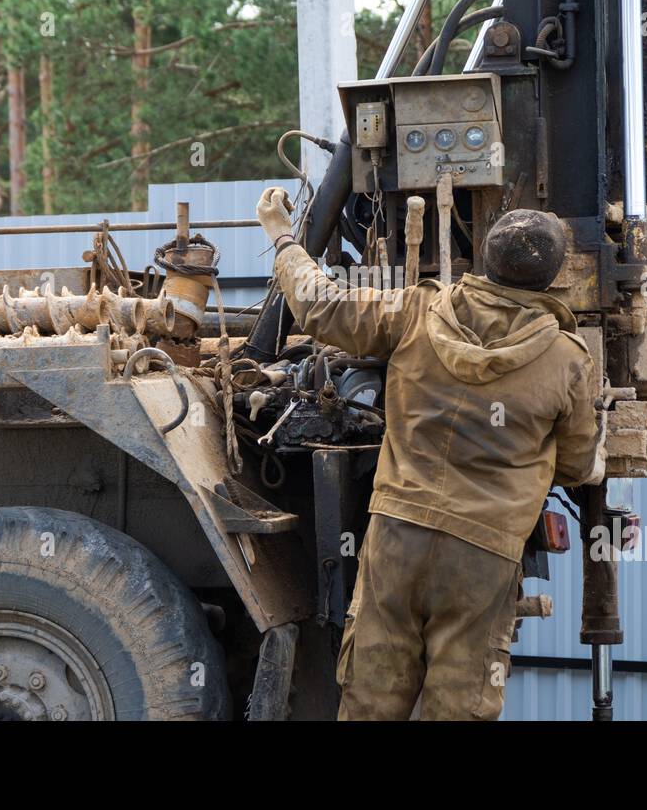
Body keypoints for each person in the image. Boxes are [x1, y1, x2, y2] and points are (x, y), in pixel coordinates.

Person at [256, 187, 604, 720]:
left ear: (485, 259)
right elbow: (579, 467)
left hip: (398, 534)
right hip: (484, 553)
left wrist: (282, 236)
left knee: (370, 696)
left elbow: (320, 307)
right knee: (459, 705)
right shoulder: (567, 359)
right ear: (555, 277)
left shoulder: (417, 311)